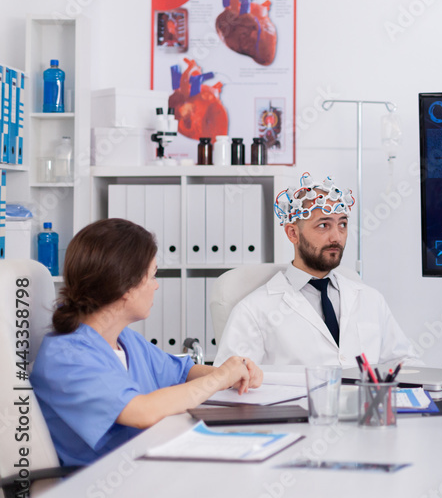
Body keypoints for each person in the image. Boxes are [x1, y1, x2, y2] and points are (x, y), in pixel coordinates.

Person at [30, 219, 262, 466]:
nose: (157, 285)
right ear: (126, 286)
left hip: (147, 466)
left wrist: (236, 371)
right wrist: (220, 378)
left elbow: (182, 371)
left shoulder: (124, 340)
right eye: (153, 276)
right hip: (101, 486)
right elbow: (142, 412)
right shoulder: (67, 356)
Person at [215, 172, 417, 366]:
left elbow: (406, 364)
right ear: (293, 233)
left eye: (343, 225)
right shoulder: (254, 310)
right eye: (323, 225)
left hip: (364, 401)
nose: (336, 237)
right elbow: (227, 382)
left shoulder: (371, 300)